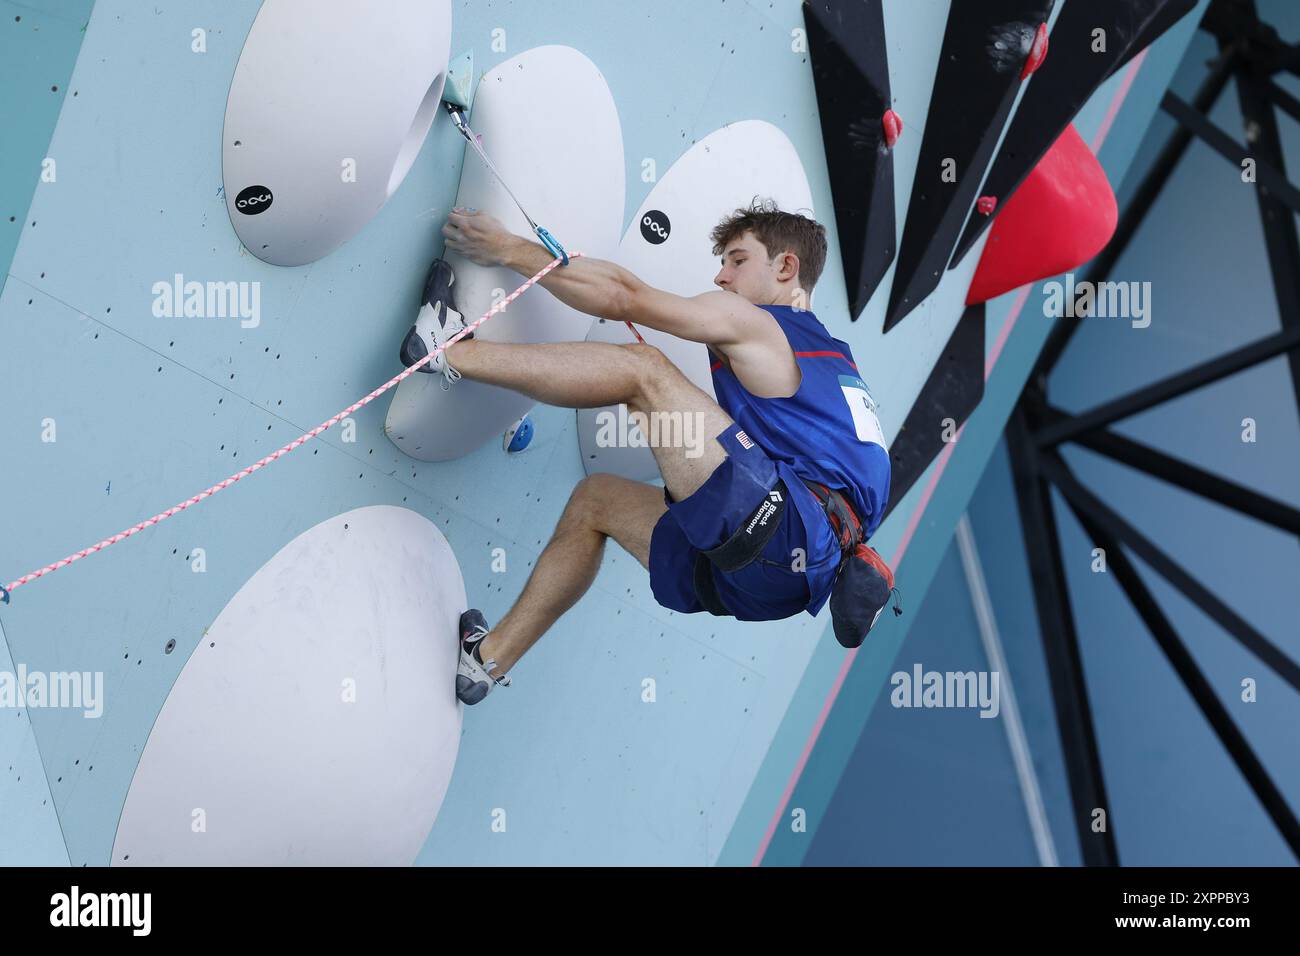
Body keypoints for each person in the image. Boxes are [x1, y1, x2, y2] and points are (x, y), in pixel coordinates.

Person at [403, 199, 893, 705]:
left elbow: (623, 296)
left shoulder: (761, 323)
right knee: (596, 502)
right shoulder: (841, 369)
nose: (722, 277)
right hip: (777, 587)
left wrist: (505, 246)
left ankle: (446, 347)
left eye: (738, 260)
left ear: (786, 267)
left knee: (645, 371)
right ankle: (486, 662)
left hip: (780, 527)